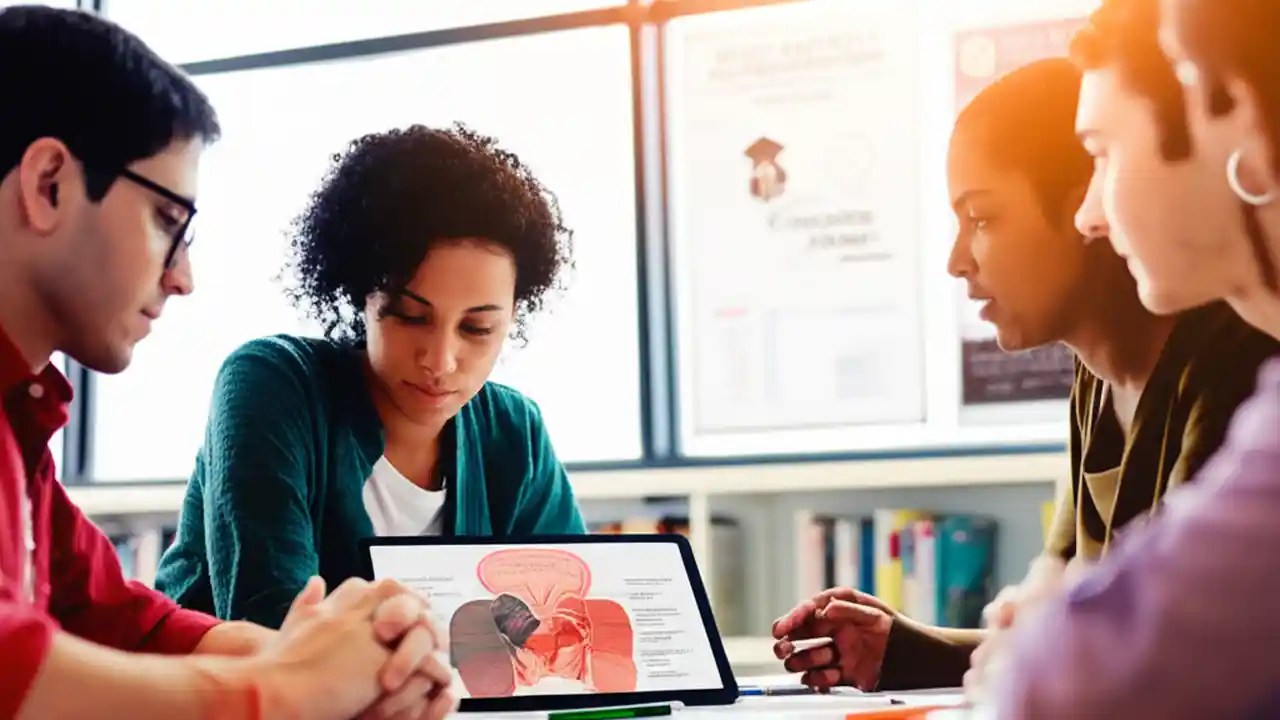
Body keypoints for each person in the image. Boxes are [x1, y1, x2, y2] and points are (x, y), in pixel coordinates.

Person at [770, 56, 1280, 693]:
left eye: (982, 219)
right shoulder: (1096, 381)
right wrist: (903, 649)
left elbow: (1171, 653)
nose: (957, 261)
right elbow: (1062, 629)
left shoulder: (1237, 360)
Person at [0, 6, 454, 719]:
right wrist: (285, 688)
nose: (183, 278)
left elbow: (120, 620)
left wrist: (331, 662)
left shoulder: (19, 429)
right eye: (167, 221)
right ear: (50, 182)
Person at [156, 123, 587, 628]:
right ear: (363, 294)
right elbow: (277, 626)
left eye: (477, 328)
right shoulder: (271, 385)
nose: (440, 361)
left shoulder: (516, 432)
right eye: (410, 316)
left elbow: (567, 619)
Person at [981, 0, 1280, 716]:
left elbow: (1070, 683)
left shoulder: (1234, 369)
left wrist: (1045, 638)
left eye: (1102, 153)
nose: (1090, 216)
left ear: (1234, 113)